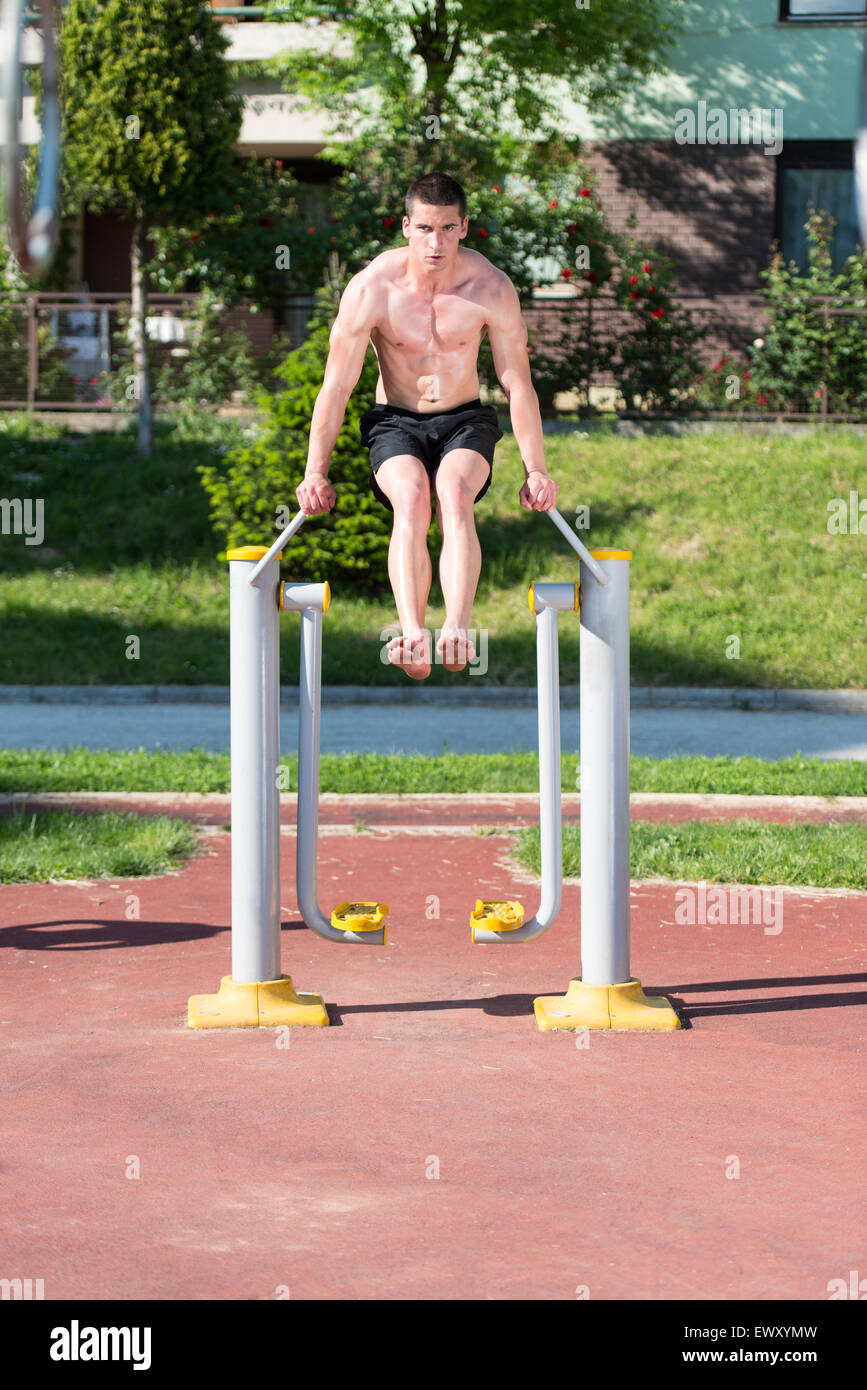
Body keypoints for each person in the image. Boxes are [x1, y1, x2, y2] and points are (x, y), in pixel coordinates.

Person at [296, 171, 559, 680]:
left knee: (453, 491)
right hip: (395, 420)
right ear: (405, 227)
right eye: (423, 229)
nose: (434, 242)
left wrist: (537, 468)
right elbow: (336, 387)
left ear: (464, 227)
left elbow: (517, 383)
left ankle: (457, 628)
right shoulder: (372, 288)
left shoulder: (491, 288)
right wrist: (315, 472)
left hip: (464, 419)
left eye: (445, 228)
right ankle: (413, 632)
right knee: (413, 497)